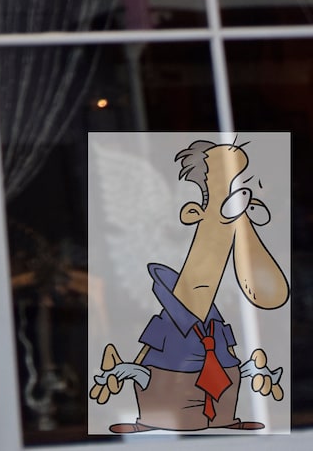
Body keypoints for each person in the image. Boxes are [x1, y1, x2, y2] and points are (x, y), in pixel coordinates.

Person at [91, 139, 289, 433]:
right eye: (226, 186)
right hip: (172, 398)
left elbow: (269, 294)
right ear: (191, 212)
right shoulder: (172, 312)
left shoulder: (218, 314)